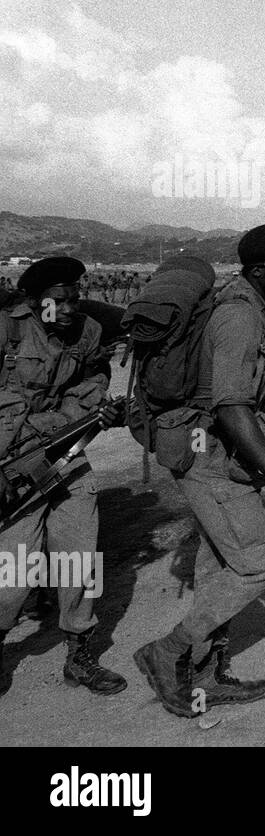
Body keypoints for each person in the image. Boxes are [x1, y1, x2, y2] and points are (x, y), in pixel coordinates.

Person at [133, 225, 265, 718]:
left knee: (220, 565)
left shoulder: (258, 307)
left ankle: (203, 678)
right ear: (259, 270)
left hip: (213, 452)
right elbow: (232, 410)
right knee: (258, 564)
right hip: (207, 457)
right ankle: (167, 651)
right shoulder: (240, 315)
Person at [0, 257, 127, 698]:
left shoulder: (88, 332)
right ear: (36, 303)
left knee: (79, 556)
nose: (72, 307)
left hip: (65, 457)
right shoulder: (7, 330)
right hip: (11, 467)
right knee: (14, 572)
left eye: (75, 296)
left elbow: (95, 375)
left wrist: (90, 412)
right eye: (61, 299)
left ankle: (80, 654)